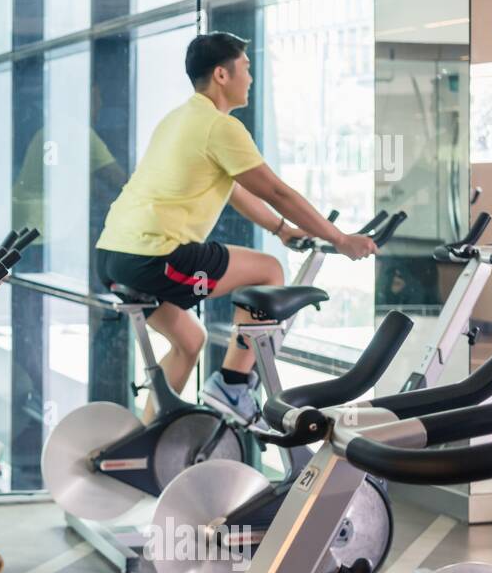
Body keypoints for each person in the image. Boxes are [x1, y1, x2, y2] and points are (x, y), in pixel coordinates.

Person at [94, 31, 378, 421]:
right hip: (154, 254)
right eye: (245, 68)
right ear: (221, 76)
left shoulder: (178, 119)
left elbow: (234, 189)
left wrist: (281, 228)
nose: (251, 78)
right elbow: (277, 190)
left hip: (113, 254)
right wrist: (340, 239)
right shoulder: (219, 126)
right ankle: (231, 385)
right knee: (268, 270)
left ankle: (145, 441)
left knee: (190, 341)